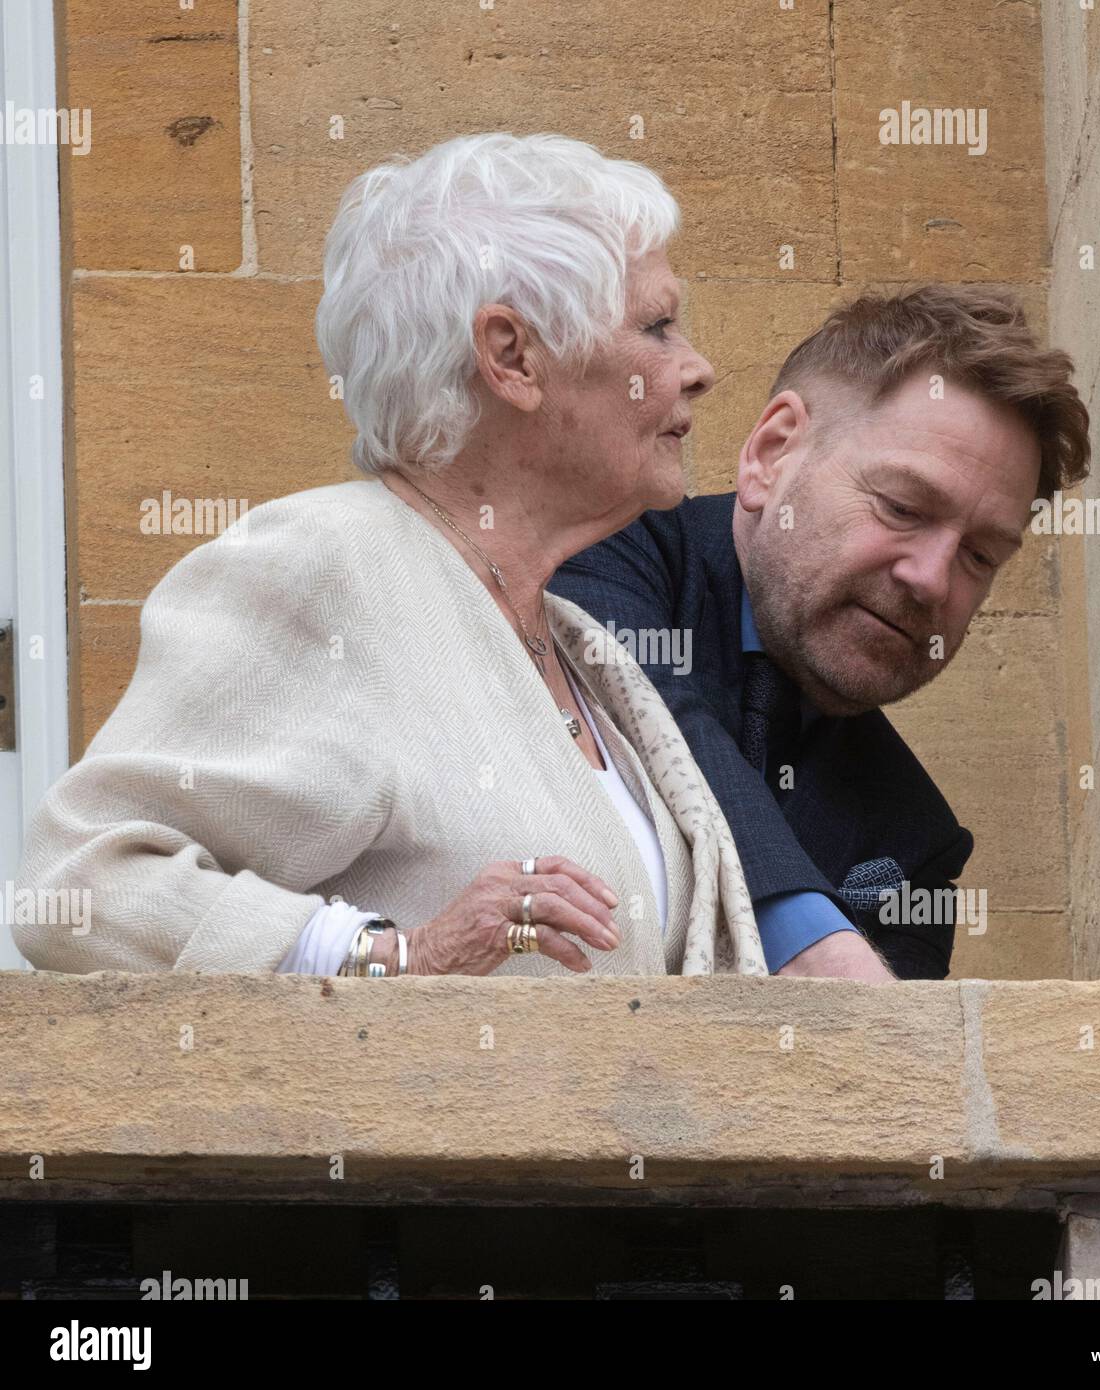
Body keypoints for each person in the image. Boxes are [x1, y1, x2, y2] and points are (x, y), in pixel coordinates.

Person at [13, 132, 767, 980]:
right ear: (512, 356)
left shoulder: (572, 643)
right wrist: (389, 955)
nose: (697, 368)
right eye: (657, 326)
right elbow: (79, 884)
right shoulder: (323, 566)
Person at [552, 285, 1091, 980]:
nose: (932, 579)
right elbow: (645, 708)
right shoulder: (605, 543)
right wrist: (809, 937)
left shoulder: (915, 841)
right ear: (773, 454)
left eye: (979, 555)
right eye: (902, 507)